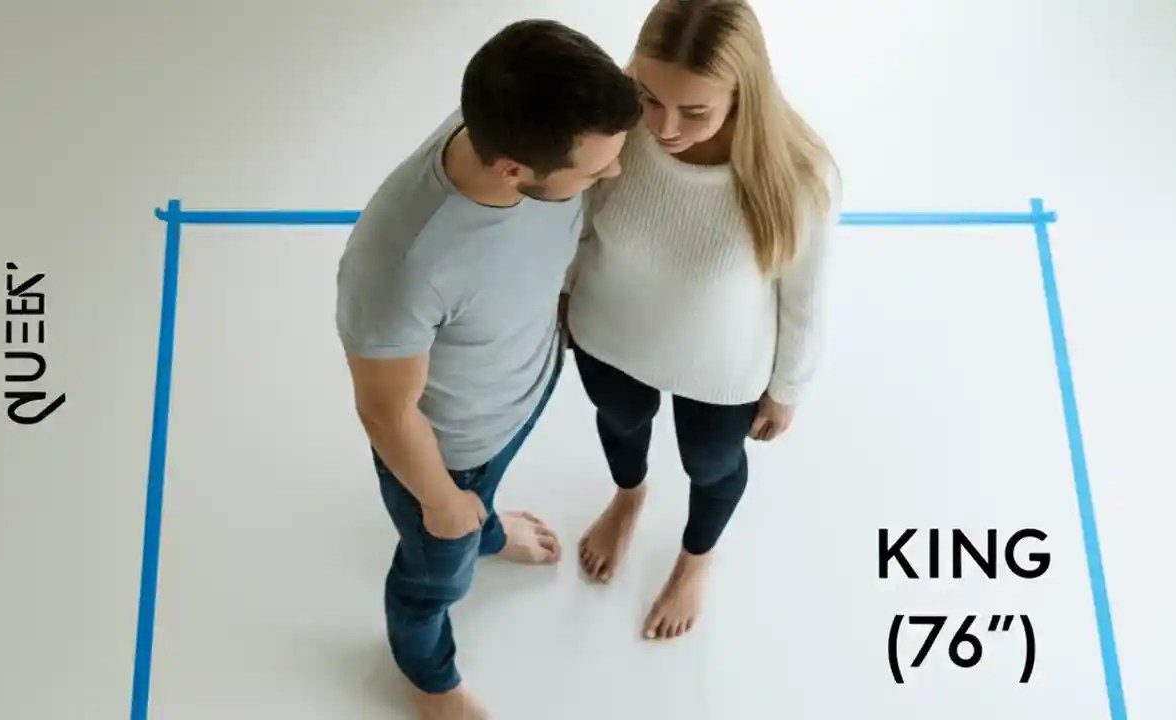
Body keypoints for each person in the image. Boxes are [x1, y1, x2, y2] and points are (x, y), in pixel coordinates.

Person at [335, 19, 641, 720]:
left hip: (517, 393)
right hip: (452, 455)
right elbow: (385, 411)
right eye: (595, 172)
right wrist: (444, 506)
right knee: (431, 582)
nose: (614, 175)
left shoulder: (518, 120)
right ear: (513, 170)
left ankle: (489, 526)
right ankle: (431, 683)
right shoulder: (402, 265)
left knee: (480, 512)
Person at [562, 0, 842, 641]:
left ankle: (696, 558)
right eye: (650, 97)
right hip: (608, 333)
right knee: (621, 421)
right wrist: (562, 293)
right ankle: (629, 497)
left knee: (711, 464)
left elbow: (807, 297)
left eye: (694, 111)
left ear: (743, 95)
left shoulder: (798, 176)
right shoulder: (618, 127)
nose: (663, 126)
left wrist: (788, 386)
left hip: (721, 370)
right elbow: (575, 224)